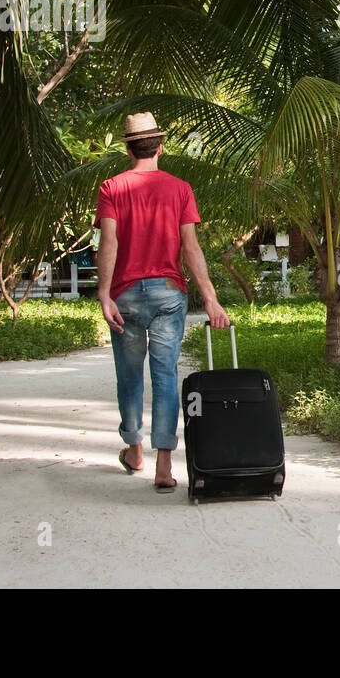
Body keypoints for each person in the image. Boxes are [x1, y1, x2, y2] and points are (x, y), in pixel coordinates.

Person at [95, 113, 230, 492]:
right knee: (166, 376)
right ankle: (164, 466)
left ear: (127, 147)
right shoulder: (180, 189)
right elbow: (191, 247)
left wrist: (104, 293)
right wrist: (212, 300)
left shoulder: (112, 187)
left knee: (130, 375)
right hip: (169, 294)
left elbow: (110, 242)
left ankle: (135, 449)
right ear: (160, 146)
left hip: (125, 295)